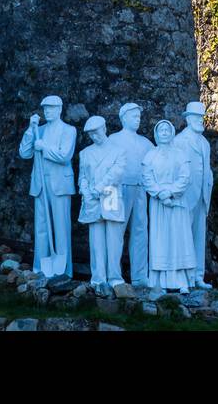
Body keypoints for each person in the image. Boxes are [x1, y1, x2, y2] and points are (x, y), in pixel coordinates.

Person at [18, 94, 76, 277]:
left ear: (59, 109)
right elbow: (24, 153)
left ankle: (63, 270)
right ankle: (40, 267)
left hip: (59, 183)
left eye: (51, 108)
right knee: (41, 227)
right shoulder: (38, 130)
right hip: (41, 183)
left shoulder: (69, 130)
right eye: (45, 108)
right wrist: (30, 129)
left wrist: (44, 148)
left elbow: (65, 155)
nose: (48, 111)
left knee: (61, 227)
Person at [142, 119, 196, 292]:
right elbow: (147, 177)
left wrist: (171, 192)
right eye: (161, 130)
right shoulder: (150, 155)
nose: (164, 132)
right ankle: (160, 282)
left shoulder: (180, 154)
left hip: (177, 202)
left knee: (178, 239)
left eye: (167, 129)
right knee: (161, 240)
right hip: (158, 204)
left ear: (172, 132)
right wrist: (159, 193)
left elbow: (185, 177)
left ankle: (181, 281)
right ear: (156, 134)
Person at [106, 101, 152, 284]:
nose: (138, 119)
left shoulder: (146, 143)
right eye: (134, 116)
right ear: (123, 118)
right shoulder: (113, 139)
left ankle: (140, 276)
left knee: (140, 231)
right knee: (116, 231)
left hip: (140, 189)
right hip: (120, 189)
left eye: (139, 116)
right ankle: (114, 275)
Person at [77, 115, 126, 286]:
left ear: (104, 129)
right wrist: (86, 191)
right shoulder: (85, 153)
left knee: (114, 242)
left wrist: (98, 188)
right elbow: (82, 176)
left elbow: (116, 173)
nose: (94, 136)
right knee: (96, 243)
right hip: (92, 200)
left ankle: (114, 278)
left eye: (96, 132)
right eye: (91, 134)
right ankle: (98, 278)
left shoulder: (119, 150)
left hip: (110, 197)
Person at [175, 100, 214, 289]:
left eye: (202, 117)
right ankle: (183, 276)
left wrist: (208, 185)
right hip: (186, 194)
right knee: (184, 236)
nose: (201, 120)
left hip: (202, 195)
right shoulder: (180, 141)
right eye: (197, 117)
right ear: (189, 119)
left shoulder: (205, 143)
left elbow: (207, 168)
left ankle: (198, 275)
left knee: (199, 236)